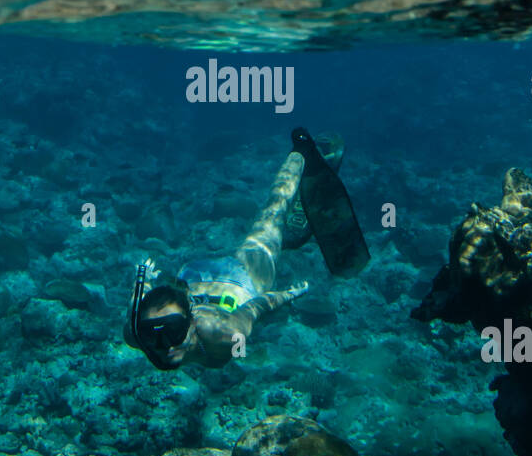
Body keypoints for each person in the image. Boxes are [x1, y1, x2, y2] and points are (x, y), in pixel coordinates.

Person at [124, 127, 369, 371]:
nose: (163, 344)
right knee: (272, 228)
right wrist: (142, 278)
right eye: (151, 334)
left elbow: (257, 306)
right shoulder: (137, 333)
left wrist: (291, 294)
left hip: (241, 278)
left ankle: (301, 153)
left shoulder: (224, 333)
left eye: (174, 331)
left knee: (273, 212)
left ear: (192, 321)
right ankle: (287, 238)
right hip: (195, 276)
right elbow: (139, 305)